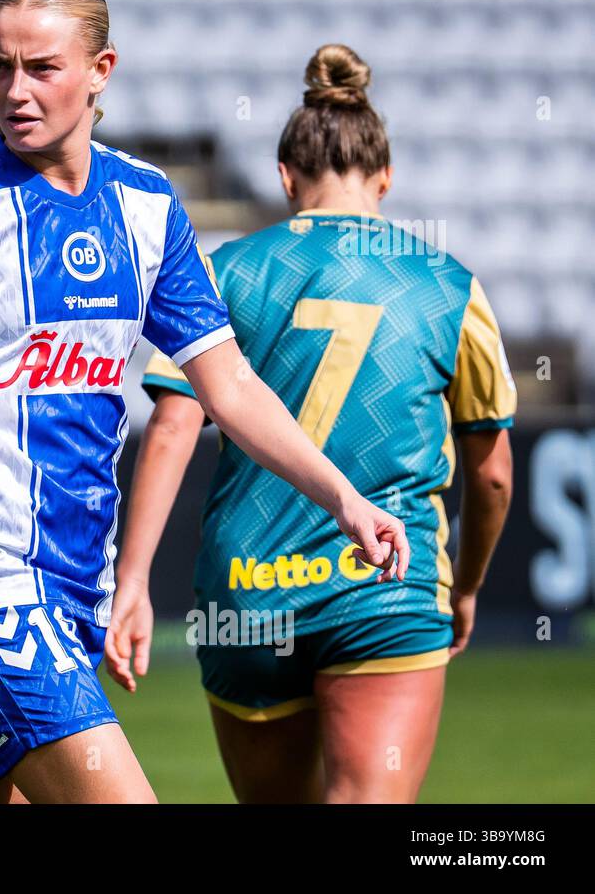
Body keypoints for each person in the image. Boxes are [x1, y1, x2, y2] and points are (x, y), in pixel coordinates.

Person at [0, 0, 409, 804]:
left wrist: (344, 499)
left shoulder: (144, 204)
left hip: (73, 585)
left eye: (42, 67)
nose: (15, 90)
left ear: (102, 69)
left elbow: (230, 387)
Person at [108, 43, 516, 803]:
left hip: (249, 592)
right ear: (386, 180)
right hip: (387, 585)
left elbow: (169, 428)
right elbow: (491, 471)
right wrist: (468, 590)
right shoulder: (448, 285)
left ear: (285, 178)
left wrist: (132, 581)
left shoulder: (228, 269)